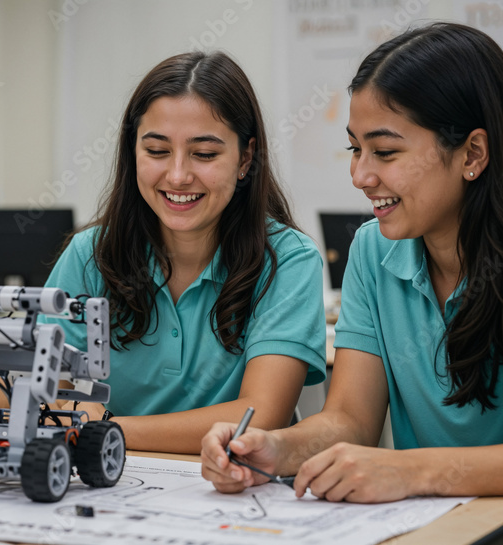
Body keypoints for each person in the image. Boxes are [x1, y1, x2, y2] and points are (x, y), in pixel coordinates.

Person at [201, 22, 503, 503]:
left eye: (385, 151)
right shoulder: (372, 250)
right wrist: (275, 448)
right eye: (355, 149)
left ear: (473, 153)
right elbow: (351, 420)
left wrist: (410, 471)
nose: (360, 175)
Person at [45, 51, 327, 453]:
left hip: (232, 492)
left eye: (205, 154)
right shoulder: (90, 254)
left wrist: (106, 430)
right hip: (111, 487)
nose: (177, 175)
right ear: (133, 152)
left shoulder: (287, 260)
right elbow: (49, 390)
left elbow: (261, 415)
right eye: (157, 151)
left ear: (245, 158)